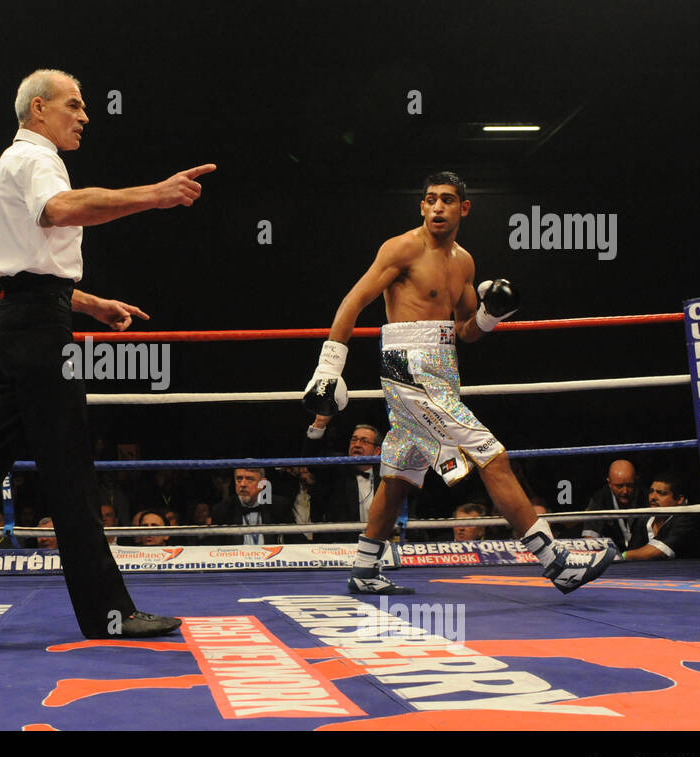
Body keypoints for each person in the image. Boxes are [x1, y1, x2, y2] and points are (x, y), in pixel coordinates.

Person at [0, 68, 214, 641]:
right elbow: (62, 210)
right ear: (39, 109)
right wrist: (155, 196)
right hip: (36, 330)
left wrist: (86, 303)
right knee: (71, 471)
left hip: (10, 322)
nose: (85, 116)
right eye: (74, 105)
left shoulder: (2, 167)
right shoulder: (38, 160)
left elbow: (24, 268)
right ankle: (111, 614)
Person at [302, 171, 615, 595]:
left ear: (463, 208)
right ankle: (554, 560)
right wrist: (328, 368)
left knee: (399, 474)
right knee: (491, 454)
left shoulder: (464, 262)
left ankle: (364, 567)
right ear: (421, 206)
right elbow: (352, 302)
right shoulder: (402, 248)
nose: (436, 208)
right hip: (407, 367)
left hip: (443, 368)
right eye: (430, 199)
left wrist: (493, 313)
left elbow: (467, 331)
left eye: (447, 200)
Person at [617, 474, 700, 561]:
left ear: (680, 499)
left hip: (697, 577)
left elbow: (657, 552)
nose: (653, 497)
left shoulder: (689, 518)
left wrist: (620, 556)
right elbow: (633, 550)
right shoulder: (645, 519)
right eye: (651, 491)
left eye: (661, 493)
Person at [210, 468, 294, 545]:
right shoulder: (222, 509)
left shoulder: (279, 505)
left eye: (250, 479)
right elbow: (213, 548)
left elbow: (296, 541)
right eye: (239, 479)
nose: (243, 484)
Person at [581, 459, 641, 549]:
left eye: (629, 485)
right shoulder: (600, 499)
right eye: (619, 486)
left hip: (644, 557)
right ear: (609, 483)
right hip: (612, 557)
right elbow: (590, 539)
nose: (625, 491)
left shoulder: (646, 497)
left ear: (636, 480)